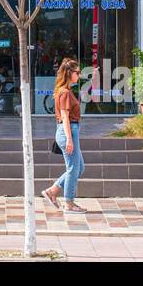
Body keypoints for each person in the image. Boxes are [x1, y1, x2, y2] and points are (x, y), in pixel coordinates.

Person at [42, 57, 86, 213]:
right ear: (69, 73)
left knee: (79, 167)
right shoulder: (65, 93)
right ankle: (69, 203)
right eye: (77, 72)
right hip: (68, 130)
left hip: (69, 130)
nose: (79, 75)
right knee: (74, 167)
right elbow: (65, 117)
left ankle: (52, 191)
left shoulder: (65, 91)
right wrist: (69, 139)